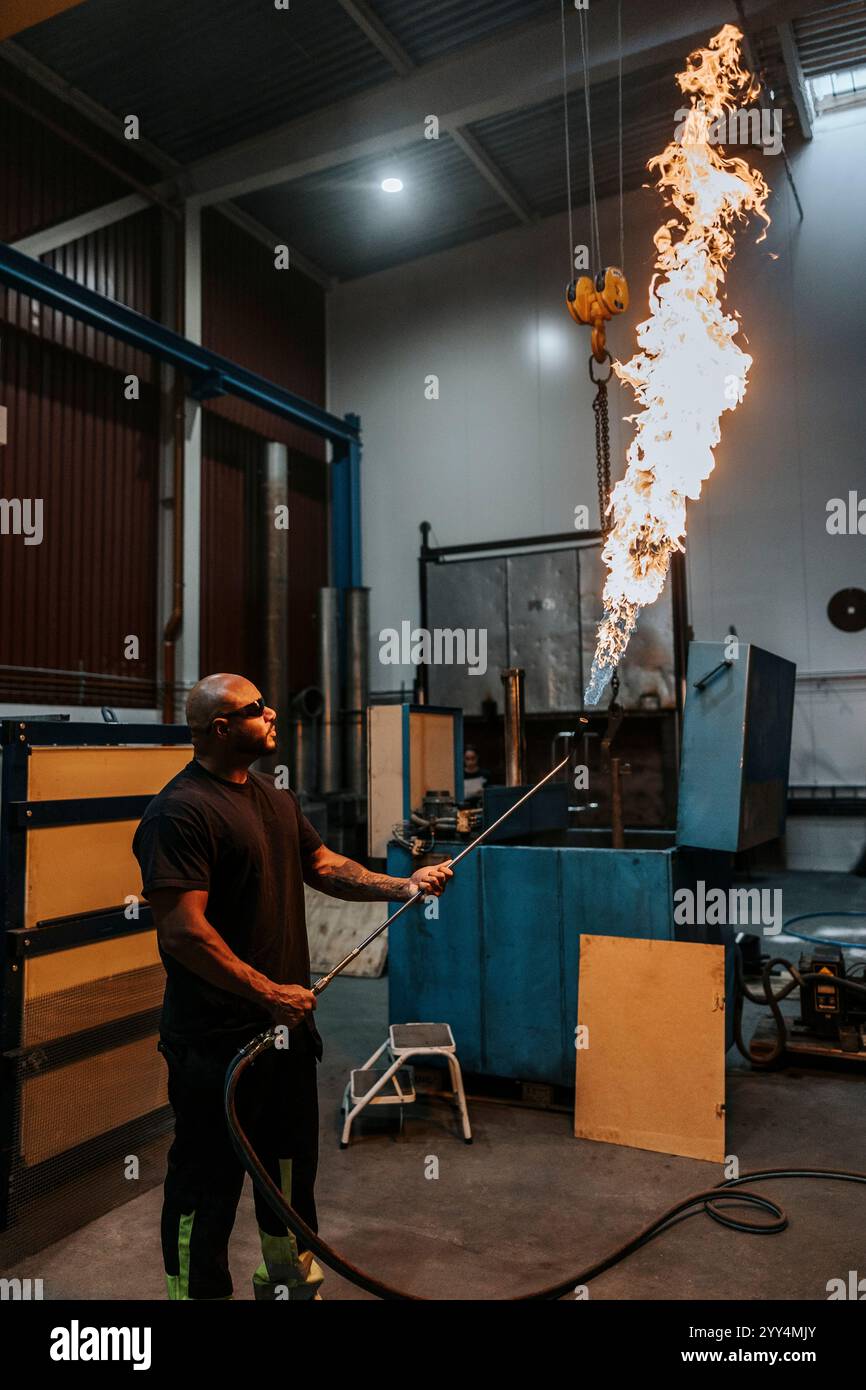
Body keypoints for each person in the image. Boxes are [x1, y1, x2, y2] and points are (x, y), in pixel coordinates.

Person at [132, 672, 452, 1301]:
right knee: (207, 1182)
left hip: (284, 1036)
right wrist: (267, 992)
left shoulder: (273, 799)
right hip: (215, 1043)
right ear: (221, 728)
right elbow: (183, 933)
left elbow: (324, 865)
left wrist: (403, 885)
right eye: (257, 708)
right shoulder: (181, 812)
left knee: (289, 1171)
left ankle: (286, 1277)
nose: (273, 711)